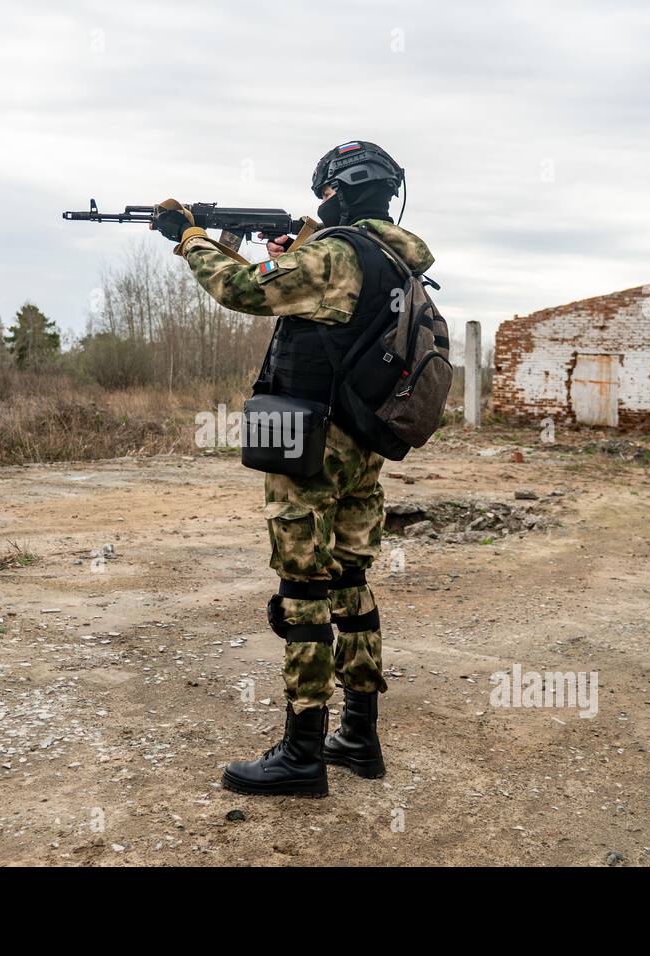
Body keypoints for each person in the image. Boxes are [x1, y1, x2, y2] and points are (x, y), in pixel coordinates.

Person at [150, 141, 434, 796]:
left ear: (339, 190)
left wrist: (189, 237)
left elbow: (245, 290)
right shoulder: (392, 258)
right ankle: (359, 736)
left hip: (313, 440)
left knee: (303, 590)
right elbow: (293, 290)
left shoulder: (333, 252)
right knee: (351, 582)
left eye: (325, 193)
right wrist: (276, 247)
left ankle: (301, 752)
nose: (320, 203)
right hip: (362, 442)